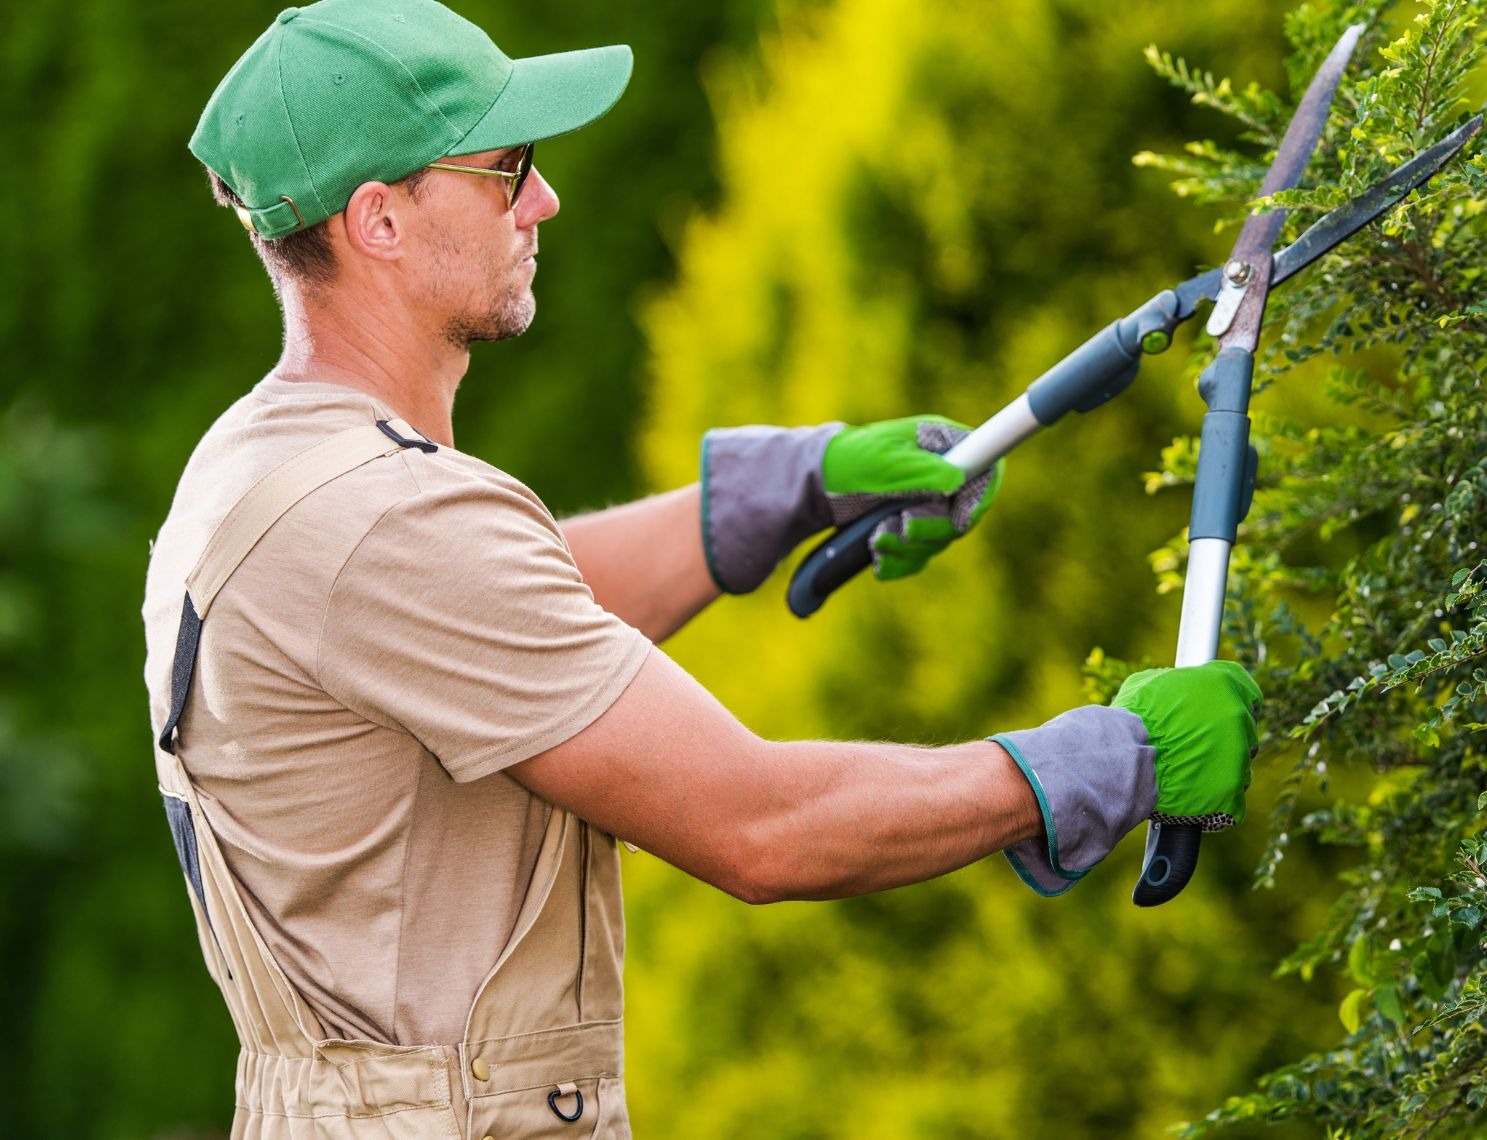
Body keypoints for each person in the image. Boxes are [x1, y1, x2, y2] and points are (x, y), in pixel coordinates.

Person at [141, 0, 1261, 1134]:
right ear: (378, 219)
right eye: (506, 168)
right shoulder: (388, 523)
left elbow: (504, 621)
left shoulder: (263, 467)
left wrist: (788, 489)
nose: (544, 199)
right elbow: (760, 826)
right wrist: (1106, 761)